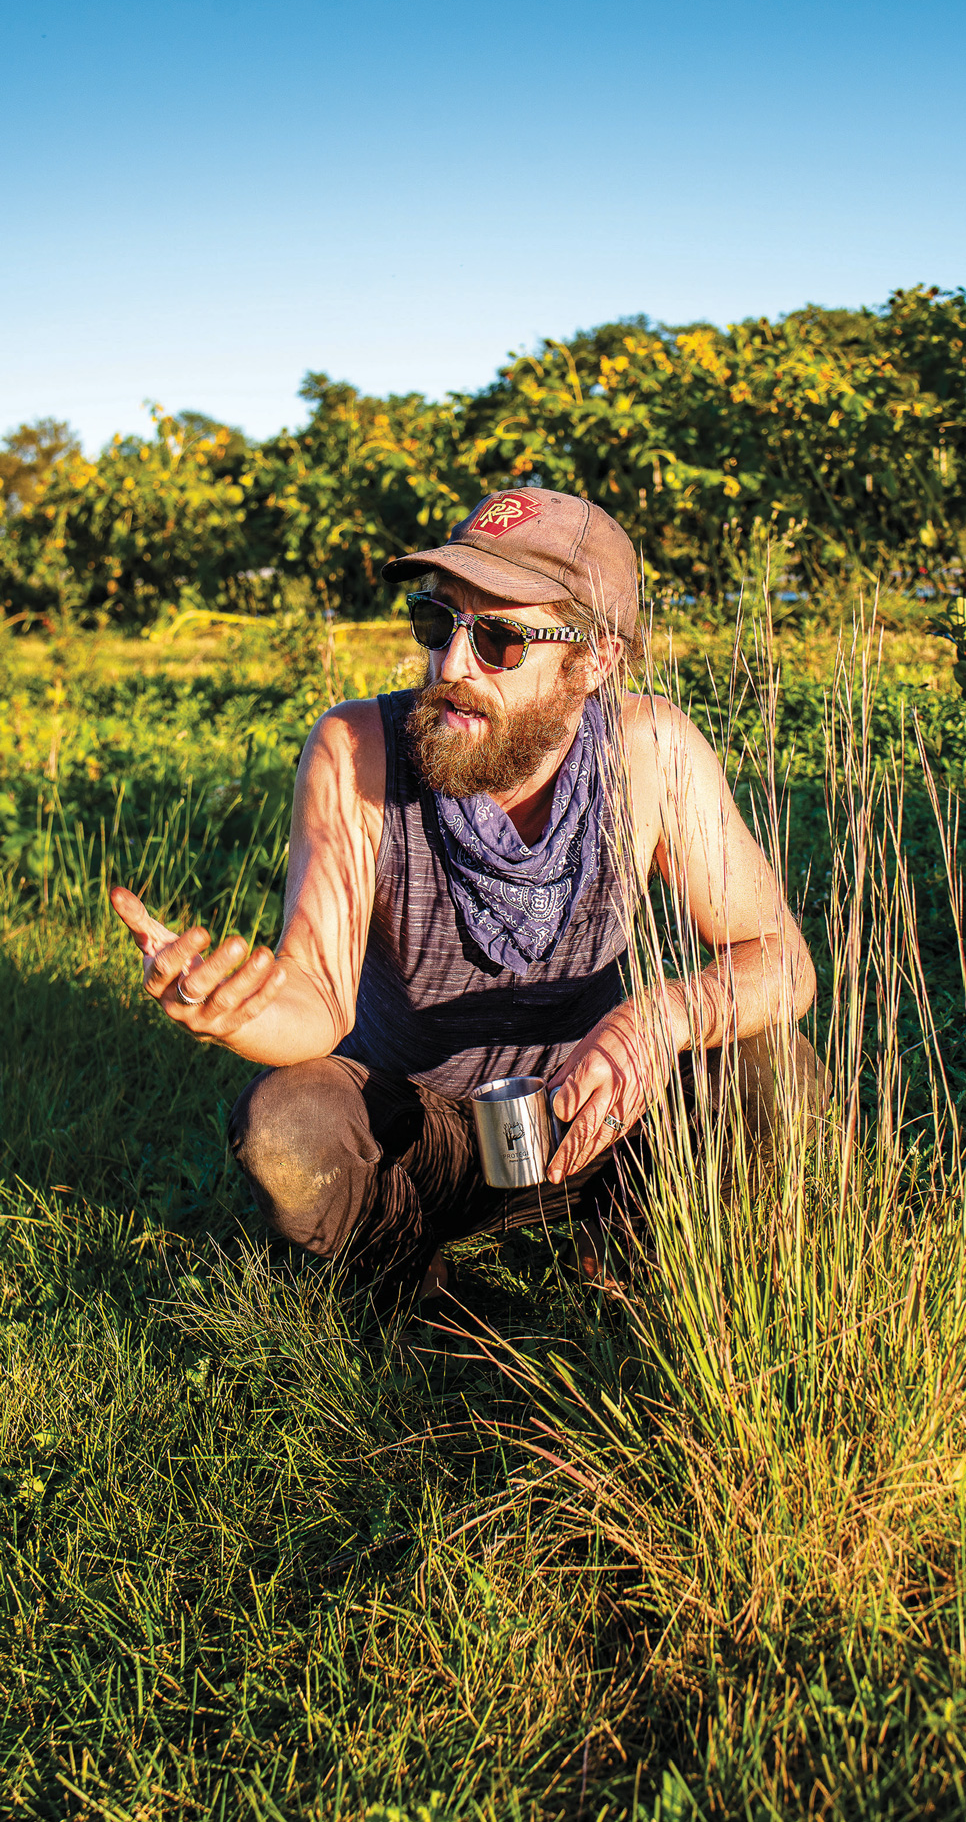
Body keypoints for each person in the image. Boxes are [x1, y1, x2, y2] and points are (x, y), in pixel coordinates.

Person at [110, 488, 819, 1322]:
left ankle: (633, 1253)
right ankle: (417, 1293)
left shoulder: (649, 752)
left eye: (500, 639)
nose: (451, 666)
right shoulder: (359, 750)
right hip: (419, 1133)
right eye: (437, 623)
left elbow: (780, 955)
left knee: (776, 1065)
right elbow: (318, 999)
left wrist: (657, 1021)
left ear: (594, 660)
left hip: (595, 1112)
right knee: (285, 1121)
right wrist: (238, 1012)